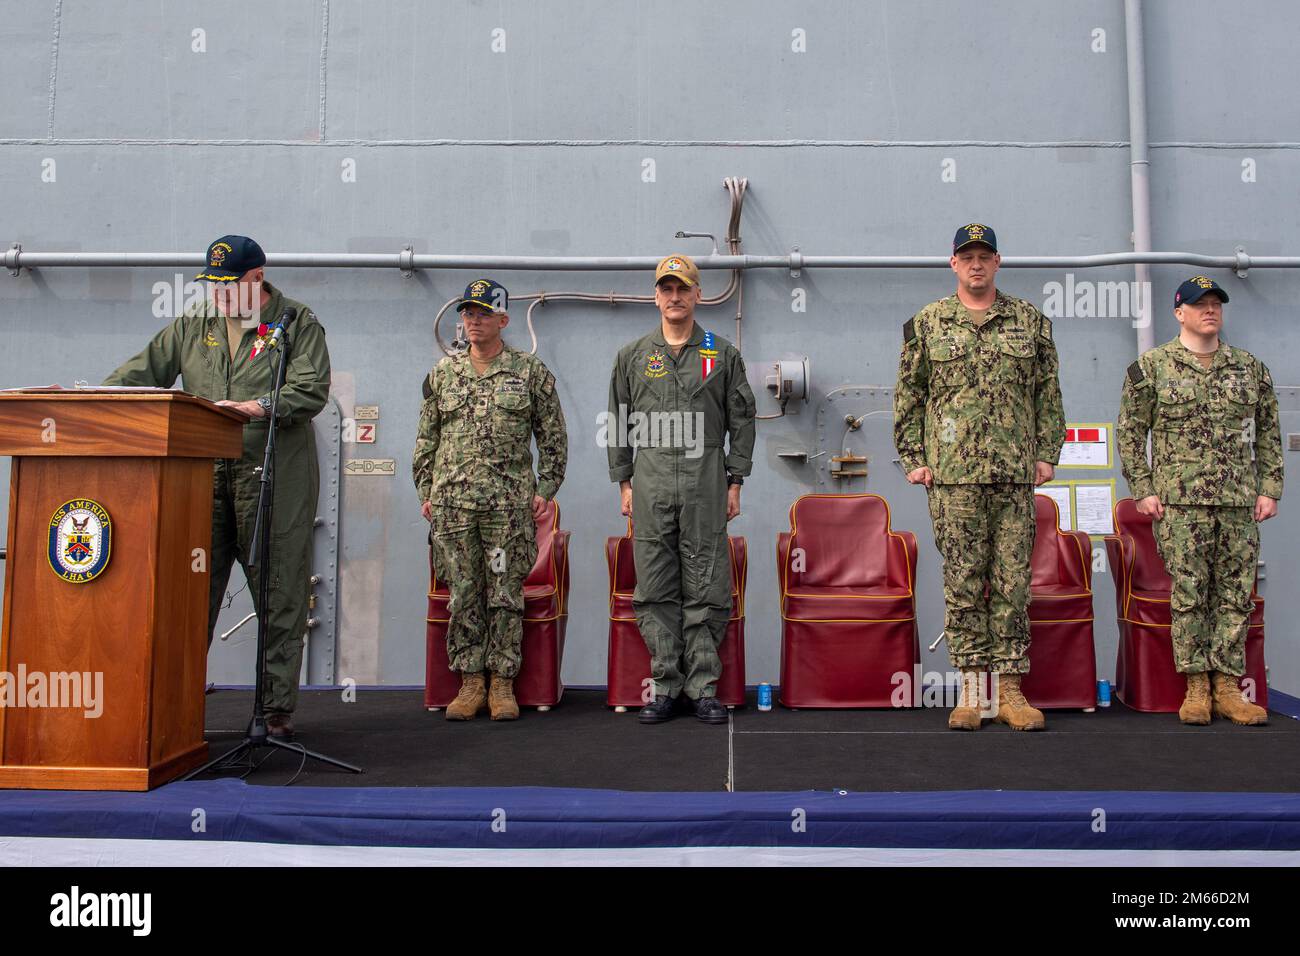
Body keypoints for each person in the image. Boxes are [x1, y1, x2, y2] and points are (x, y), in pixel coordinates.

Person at [104, 235, 331, 740]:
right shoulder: (193, 326)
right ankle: (177, 705)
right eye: (213, 284)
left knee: (278, 591)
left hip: (272, 474)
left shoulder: (296, 322)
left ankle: (273, 713)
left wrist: (249, 408)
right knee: (187, 590)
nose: (219, 295)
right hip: (200, 474)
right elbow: (135, 378)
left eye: (229, 285)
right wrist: (91, 399)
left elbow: (310, 389)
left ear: (257, 278)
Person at [894, 224, 1066, 731]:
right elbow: (910, 395)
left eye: (984, 256)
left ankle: (1010, 690)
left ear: (997, 262)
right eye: (966, 256)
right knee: (964, 582)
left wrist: (1047, 452)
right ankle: (971, 689)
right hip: (952, 477)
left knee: (1013, 582)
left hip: (1013, 474)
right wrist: (913, 456)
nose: (976, 264)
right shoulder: (928, 323)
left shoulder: (1028, 322)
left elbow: (1048, 394)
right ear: (953, 263)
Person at [1116, 275, 1282, 725]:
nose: (1209, 310)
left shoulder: (1250, 369)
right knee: (1189, 594)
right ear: (1179, 313)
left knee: (1233, 595)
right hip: (1180, 504)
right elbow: (1130, 434)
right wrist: (1144, 489)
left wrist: (1270, 487)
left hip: (1237, 502)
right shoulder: (1152, 368)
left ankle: (1227, 687)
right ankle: (1195, 687)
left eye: (1215, 303)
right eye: (1199, 303)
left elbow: (1268, 433)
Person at [607, 255, 756, 725]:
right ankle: (666, 686)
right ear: (656, 296)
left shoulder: (720, 352)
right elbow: (618, 422)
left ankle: (703, 688)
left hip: (705, 481)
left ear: (697, 294)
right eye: (666, 289)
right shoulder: (633, 355)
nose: (675, 296)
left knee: (707, 585)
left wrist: (735, 481)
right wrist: (624, 482)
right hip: (650, 482)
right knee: (654, 587)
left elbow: (742, 421)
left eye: (683, 288)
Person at [413, 279, 568, 721]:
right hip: (454, 508)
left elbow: (553, 437)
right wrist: (427, 492)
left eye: (483, 313)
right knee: (463, 592)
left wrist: (545, 490)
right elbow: (427, 438)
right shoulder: (443, 373)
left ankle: (502, 682)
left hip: (507, 510)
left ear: (503, 319)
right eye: (467, 313)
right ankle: (470, 682)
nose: (473, 321)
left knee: (503, 591)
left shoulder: (529, 372)